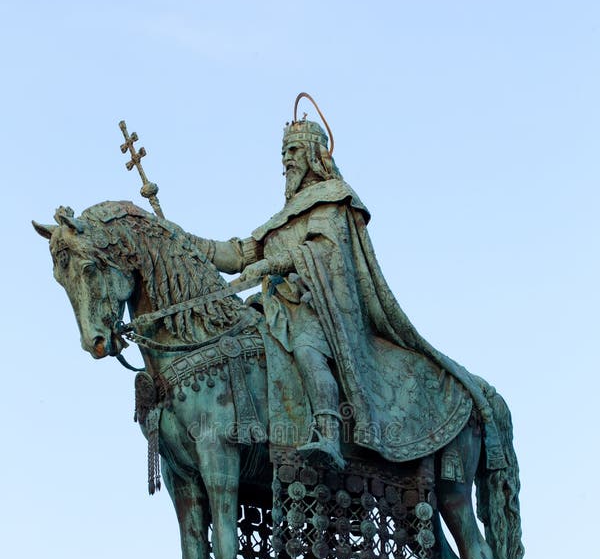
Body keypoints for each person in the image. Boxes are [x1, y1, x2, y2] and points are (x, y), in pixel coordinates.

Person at [203, 98, 506, 473]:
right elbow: (236, 254)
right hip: (275, 307)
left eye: (294, 150)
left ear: (315, 154)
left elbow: (327, 250)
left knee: (307, 348)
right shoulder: (280, 218)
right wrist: (187, 245)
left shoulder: (332, 198)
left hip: (321, 310)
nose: (287, 160)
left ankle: (329, 433)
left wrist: (281, 261)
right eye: (284, 153)